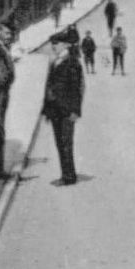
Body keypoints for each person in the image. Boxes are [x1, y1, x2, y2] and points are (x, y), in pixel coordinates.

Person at [43, 33, 84, 185]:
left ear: (66, 45)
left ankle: (69, 176)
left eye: (57, 43)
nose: (54, 46)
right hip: (55, 110)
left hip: (67, 111)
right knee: (60, 143)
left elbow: (76, 90)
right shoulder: (56, 61)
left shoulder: (72, 62)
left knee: (66, 144)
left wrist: (75, 111)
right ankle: (65, 173)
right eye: (53, 43)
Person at [0, 26, 17, 179]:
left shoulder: (4, 48)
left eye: (10, 33)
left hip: (3, 94)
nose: (9, 35)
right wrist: (1, 83)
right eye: (6, 33)